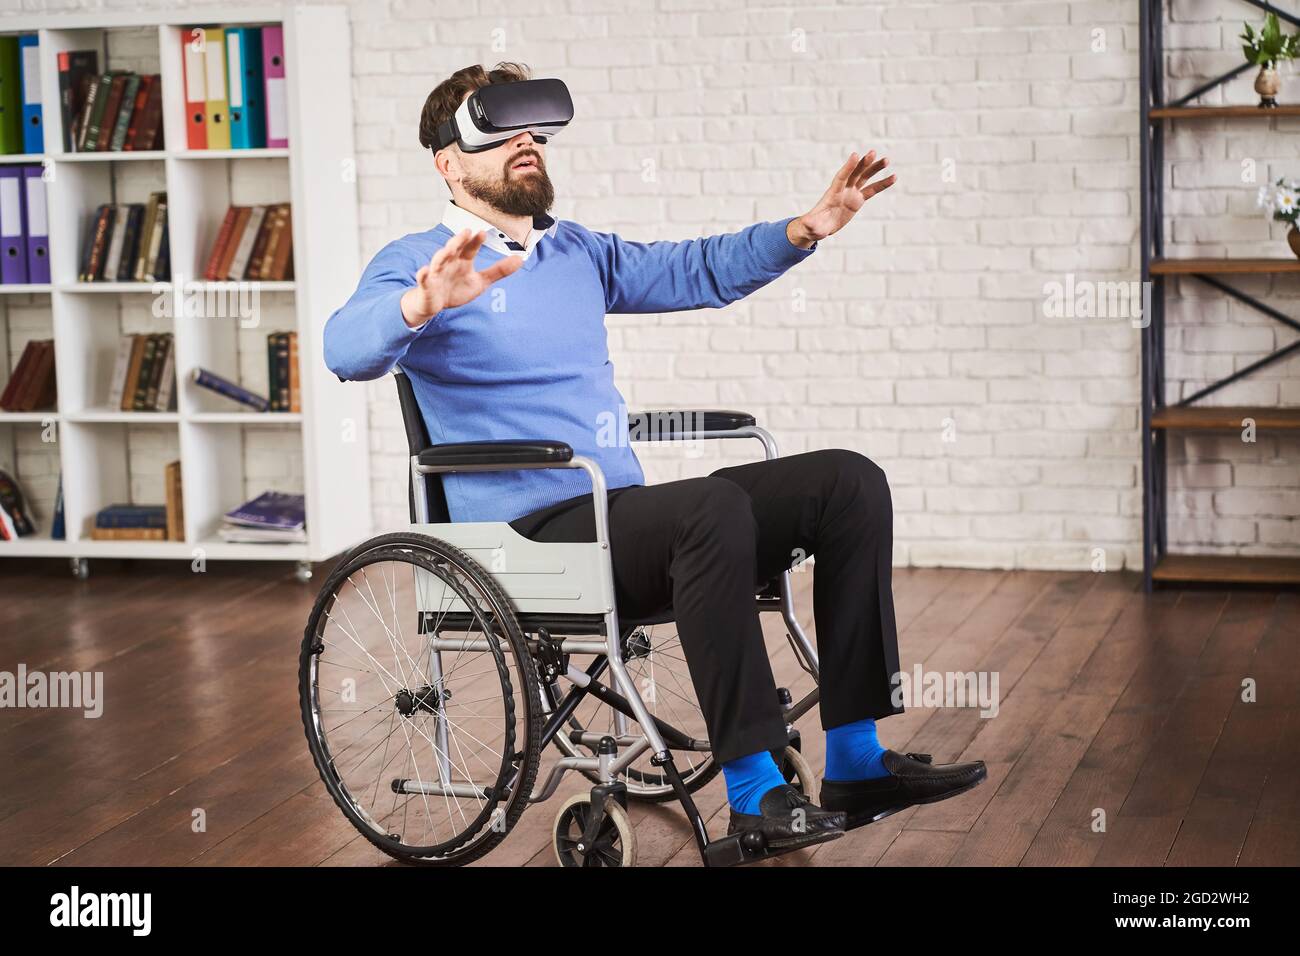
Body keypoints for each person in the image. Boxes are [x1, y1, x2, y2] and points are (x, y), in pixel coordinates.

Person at [324, 62, 986, 853]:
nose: (528, 144)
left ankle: (855, 758)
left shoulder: (576, 251)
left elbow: (694, 268)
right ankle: (754, 794)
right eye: (503, 133)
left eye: (536, 131)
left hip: (617, 517)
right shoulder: (420, 260)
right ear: (448, 160)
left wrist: (803, 228)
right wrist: (419, 304)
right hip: (526, 538)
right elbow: (344, 347)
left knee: (848, 482)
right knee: (709, 509)